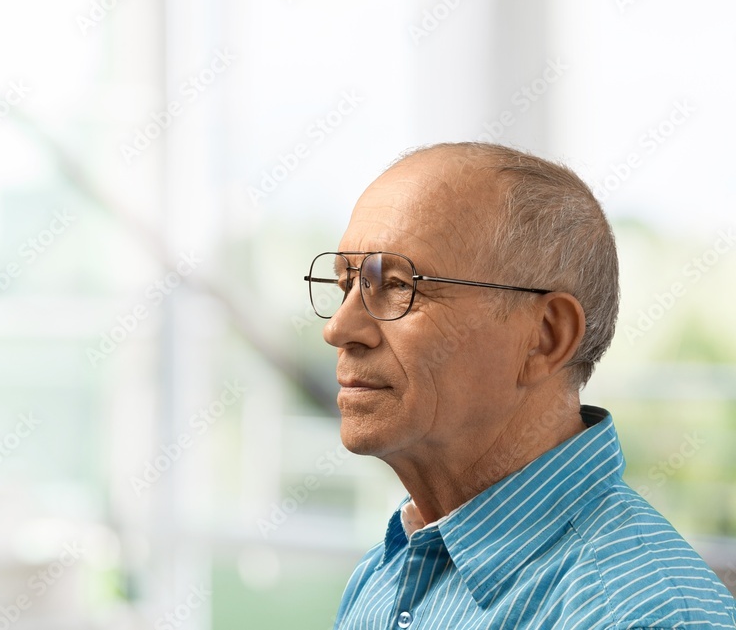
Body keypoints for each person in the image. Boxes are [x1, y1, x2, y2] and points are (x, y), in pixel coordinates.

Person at [305, 142, 736, 629]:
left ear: (546, 337)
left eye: (400, 285)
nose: (338, 329)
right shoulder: (387, 571)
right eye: (346, 284)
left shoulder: (640, 616)